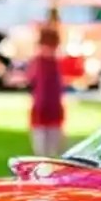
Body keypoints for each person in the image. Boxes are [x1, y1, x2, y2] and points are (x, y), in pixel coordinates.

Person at [28, 21, 64, 157]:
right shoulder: (43, 63)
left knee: (50, 145)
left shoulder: (46, 63)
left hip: (50, 108)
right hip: (43, 108)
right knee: (44, 145)